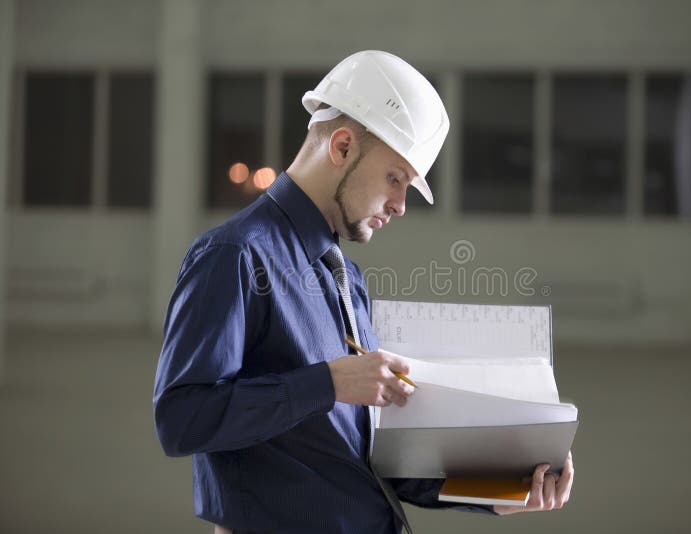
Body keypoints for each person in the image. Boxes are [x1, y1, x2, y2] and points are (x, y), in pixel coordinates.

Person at [153, 50, 574, 534]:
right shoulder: (234, 256)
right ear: (343, 146)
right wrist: (327, 383)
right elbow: (182, 419)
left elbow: (369, 458)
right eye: (395, 178)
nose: (399, 206)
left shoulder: (345, 280)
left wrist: (507, 489)